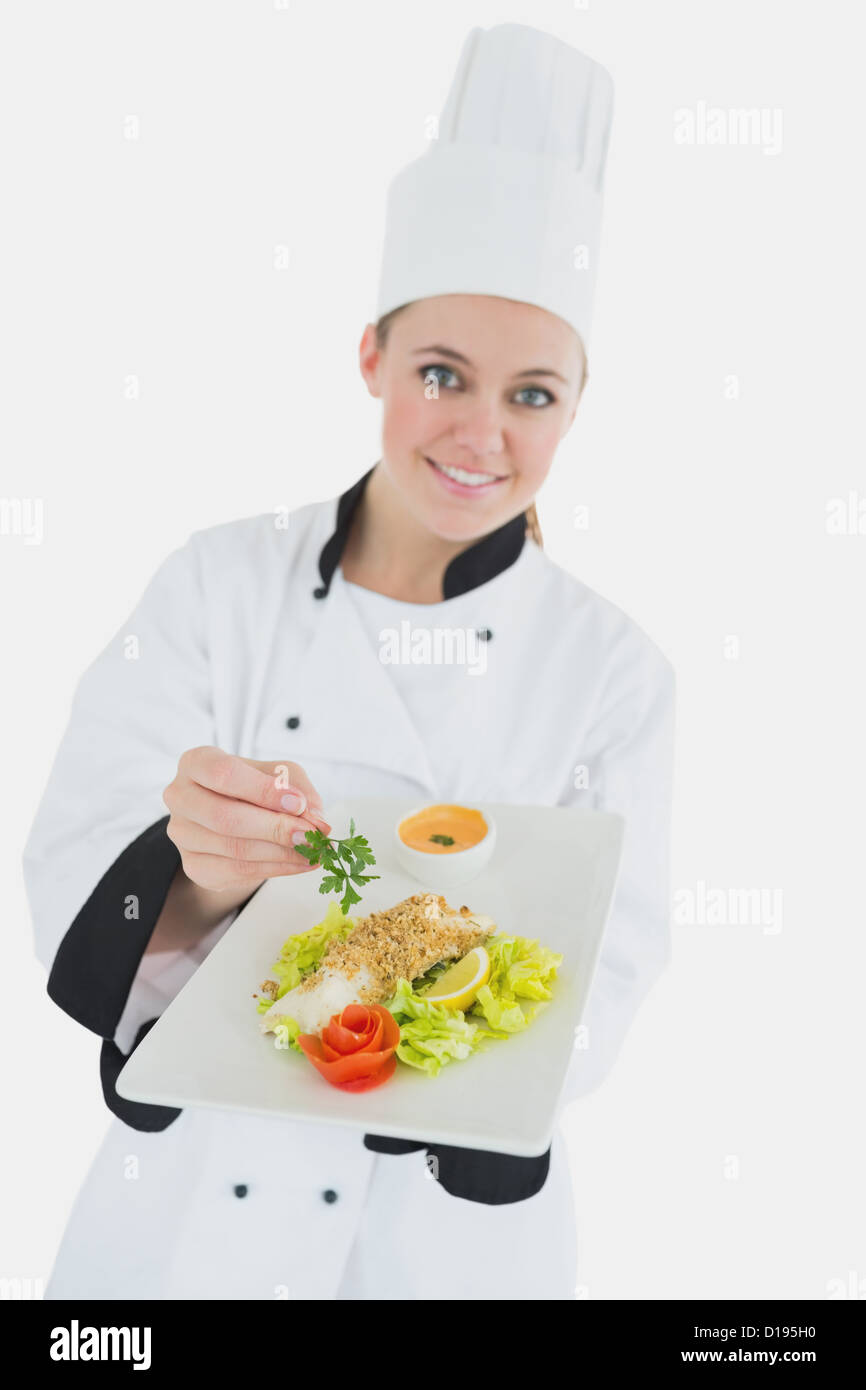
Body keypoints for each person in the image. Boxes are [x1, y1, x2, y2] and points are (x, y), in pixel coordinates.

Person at [23, 22, 675, 1300]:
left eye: (533, 393)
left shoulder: (613, 668)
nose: (481, 432)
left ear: (578, 406)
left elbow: (617, 956)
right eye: (442, 371)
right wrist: (195, 877)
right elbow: (73, 845)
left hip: (450, 1241)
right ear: (370, 353)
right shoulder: (218, 582)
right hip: (183, 1238)